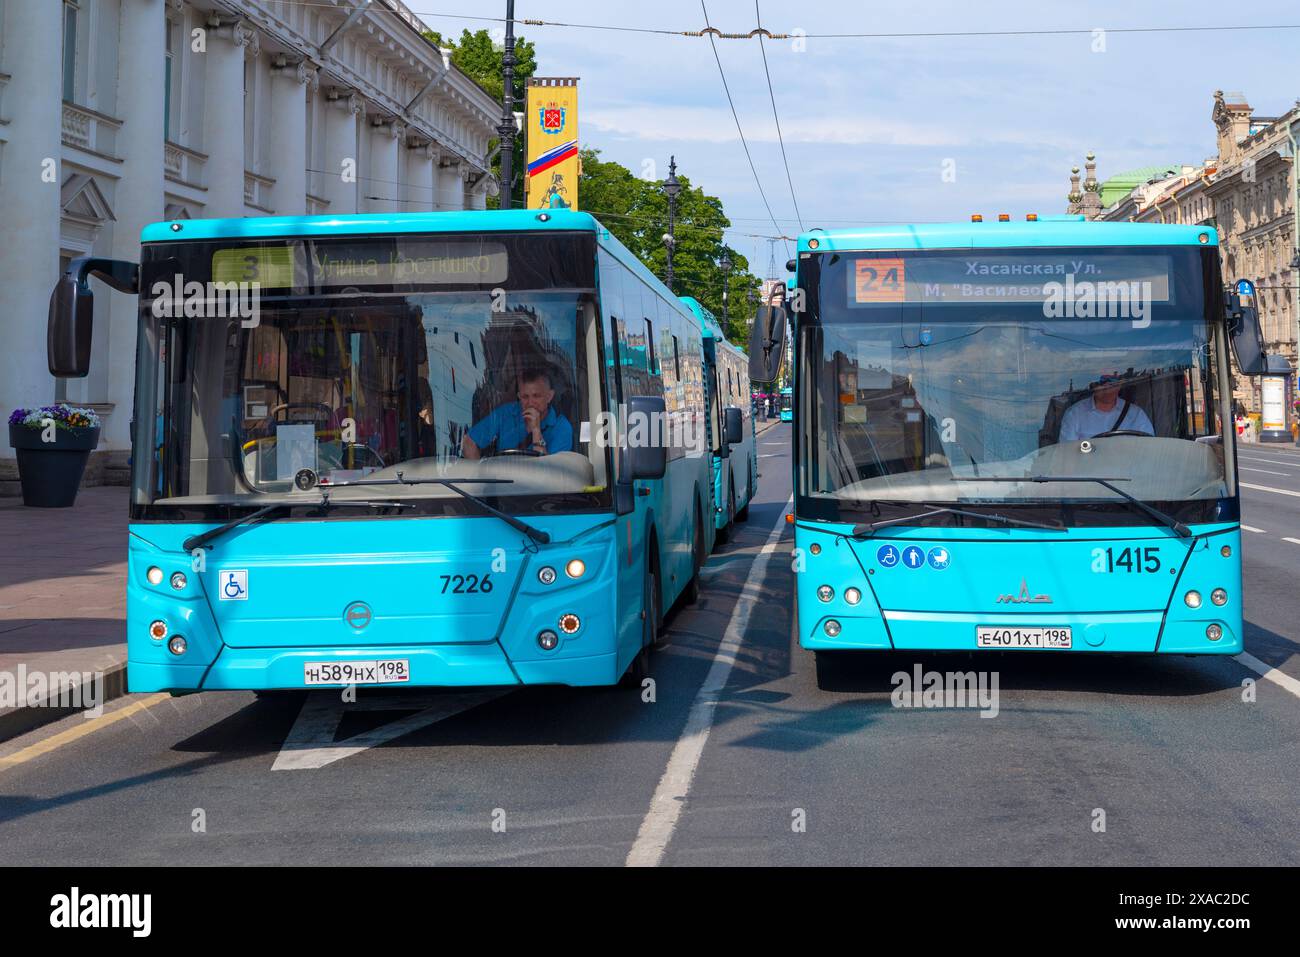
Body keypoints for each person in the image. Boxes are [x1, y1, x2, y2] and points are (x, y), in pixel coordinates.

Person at [461, 369, 573, 459]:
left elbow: (550, 473)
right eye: (525, 397)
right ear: (519, 397)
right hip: (501, 483)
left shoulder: (562, 427)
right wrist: (480, 478)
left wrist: (536, 431)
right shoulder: (506, 413)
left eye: (536, 396)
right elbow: (469, 442)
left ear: (549, 396)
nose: (530, 403)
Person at [1058, 373, 1154, 443]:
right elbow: (1068, 455)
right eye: (1102, 383)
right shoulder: (1074, 414)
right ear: (1093, 386)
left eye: (1112, 383)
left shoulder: (1136, 414)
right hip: (1088, 469)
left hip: (1127, 469)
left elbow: (1149, 449)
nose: (1108, 388)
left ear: (1120, 386)